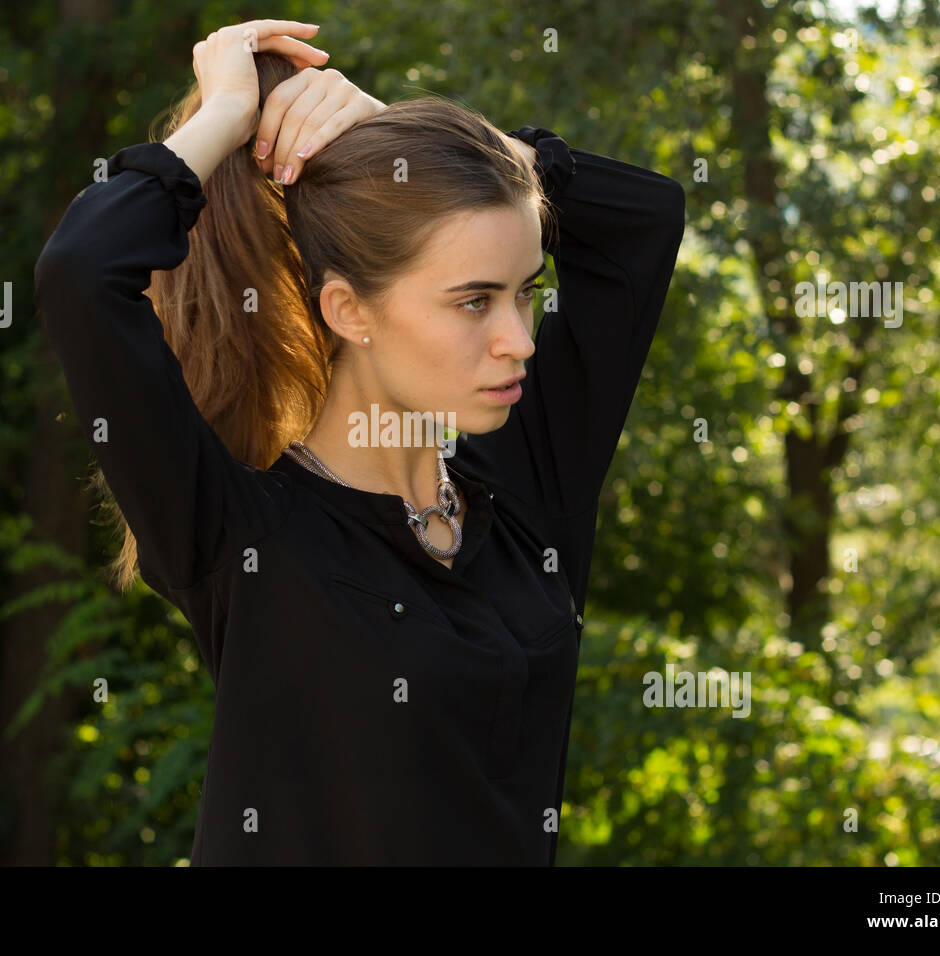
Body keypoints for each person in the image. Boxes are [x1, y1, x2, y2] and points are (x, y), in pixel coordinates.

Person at [34, 18, 685, 865]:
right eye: (474, 301)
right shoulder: (244, 536)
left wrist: (422, 151)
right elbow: (82, 271)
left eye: (527, 292)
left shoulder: (529, 489)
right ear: (348, 310)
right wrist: (231, 113)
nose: (520, 339)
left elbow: (645, 220)